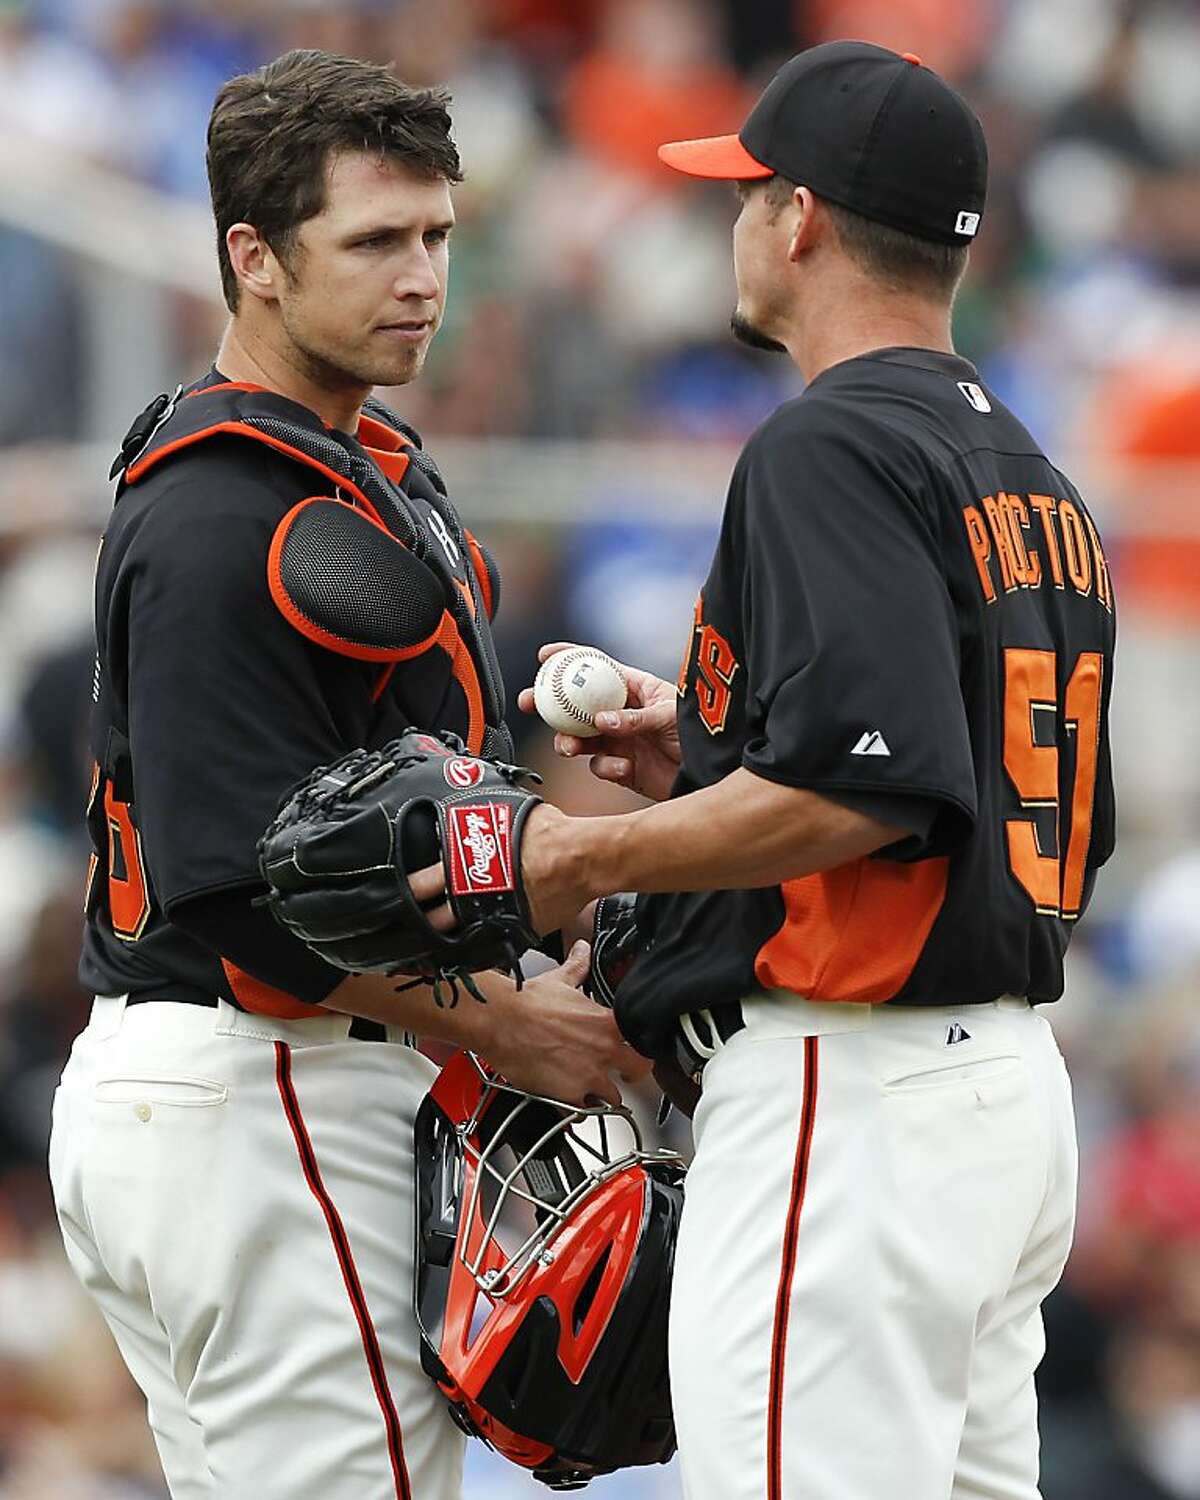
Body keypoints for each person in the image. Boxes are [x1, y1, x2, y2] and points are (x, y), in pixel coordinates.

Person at [504, 40, 1116, 1500]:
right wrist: (709, 763)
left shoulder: (828, 445)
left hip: (859, 1102)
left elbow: (865, 793)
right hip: (1004, 1099)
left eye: (745, 193)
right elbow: (948, 798)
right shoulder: (1031, 470)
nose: (732, 221)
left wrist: (577, 852)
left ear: (801, 218)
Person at [48, 48, 644, 1500]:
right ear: (252, 256)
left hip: (250, 1095)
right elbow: (231, 888)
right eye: (374, 240)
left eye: (437, 235)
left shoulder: (353, 469)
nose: (420, 276)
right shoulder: (218, 510)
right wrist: (508, 1024)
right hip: (265, 1086)